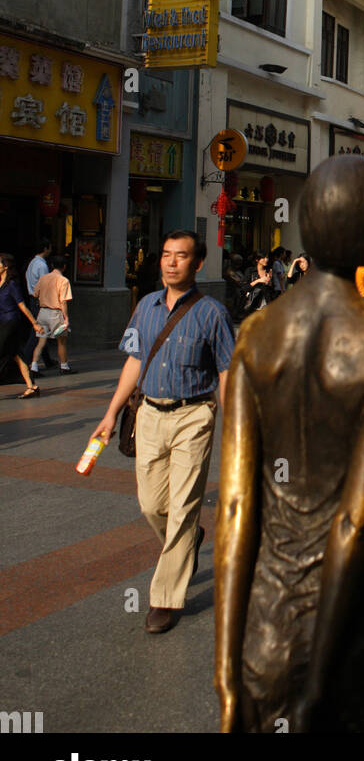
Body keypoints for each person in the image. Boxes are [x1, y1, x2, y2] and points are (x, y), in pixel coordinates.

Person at [214, 156, 364, 733]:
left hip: (265, 619)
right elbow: (355, 524)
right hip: (347, 621)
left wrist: (226, 673)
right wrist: (319, 683)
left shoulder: (256, 335)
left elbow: (233, 508)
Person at [90, 231, 233, 634]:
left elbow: (226, 372)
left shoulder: (213, 314)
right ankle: (190, 537)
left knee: (184, 504)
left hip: (194, 415)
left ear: (197, 264)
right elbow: (135, 362)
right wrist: (110, 413)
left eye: (181, 256)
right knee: (152, 504)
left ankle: (164, 599)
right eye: (167, 255)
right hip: (149, 414)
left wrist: (235, 424)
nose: (171, 263)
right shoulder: (146, 308)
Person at [0, 254, 44, 397]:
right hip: (2, 321)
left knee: (3, 351)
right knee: (17, 355)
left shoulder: (12, 284)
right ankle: (32, 386)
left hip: (11, 321)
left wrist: (35, 323)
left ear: (5, 266)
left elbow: (22, 306)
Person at [31, 255, 73, 374]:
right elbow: (63, 301)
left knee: (41, 341)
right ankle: (64, 366)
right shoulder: (64, 281)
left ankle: (34, 366)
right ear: (64, 267)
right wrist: (66, 318)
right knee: (61, 341)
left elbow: (35, 293)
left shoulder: (43, 278)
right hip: (56, 313)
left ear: (52, 266)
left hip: (43, 312)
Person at [22, 239, 51, 367]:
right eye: (50, 247)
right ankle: (26, 361)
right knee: (37, 332)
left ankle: (47, 359)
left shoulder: (32, 262)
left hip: (33, 298)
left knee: (42, 331)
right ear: (45, 248)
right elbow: (45, 284)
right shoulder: (42, 265)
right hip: (39, 299)